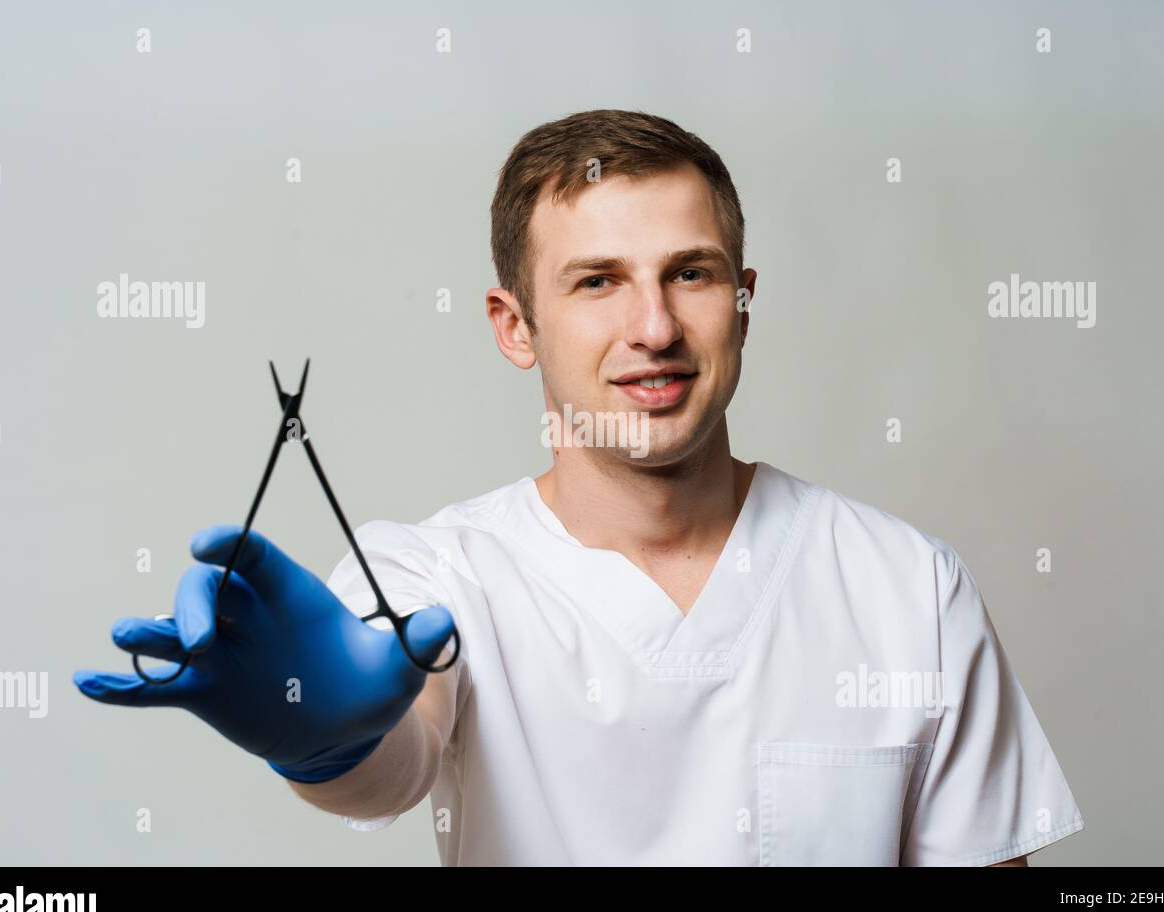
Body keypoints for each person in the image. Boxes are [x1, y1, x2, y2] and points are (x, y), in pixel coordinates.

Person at [75, 108, 1085, 866]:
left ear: (742, 299)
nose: (653, 326)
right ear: (515, 326)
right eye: (597, 281)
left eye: (689, 273)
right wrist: (321, 733)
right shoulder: (436, 575)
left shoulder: (905, 588)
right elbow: (396, 756)